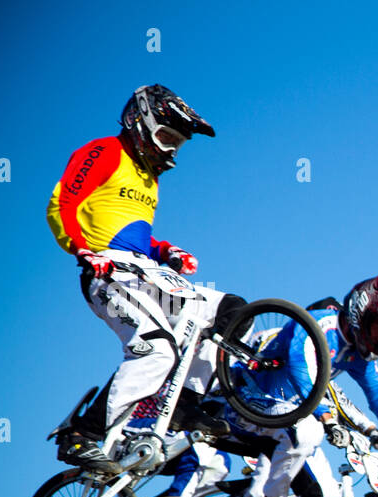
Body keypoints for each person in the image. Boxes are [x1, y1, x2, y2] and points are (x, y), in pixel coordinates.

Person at [47, 84, 241, 473]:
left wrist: (165, 250)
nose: (170, 149)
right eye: (166, 137)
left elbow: (132, 234)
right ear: (141, 122)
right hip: (107, 274)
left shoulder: (149, 177)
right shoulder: (104, 152)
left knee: (226, 311)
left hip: (144, 271)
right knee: (157, 350)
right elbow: (62, 202)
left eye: (178, 143)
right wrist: (82, 249)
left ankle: (185, 404)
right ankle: (81, 434)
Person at [227, 276, 378, 497]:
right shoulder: (318, 325)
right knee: (308, 430)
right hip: (251, 401)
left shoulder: (355, 352)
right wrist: (328, 419)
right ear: (360, 315)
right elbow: (300, 368)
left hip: (289, 417)